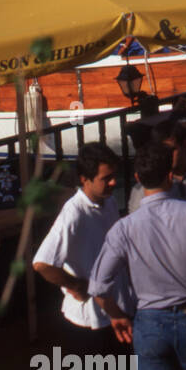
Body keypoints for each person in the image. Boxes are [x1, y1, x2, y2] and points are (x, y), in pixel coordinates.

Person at [88, 142, 186, 370]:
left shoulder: (124, 229)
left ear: (137, 178)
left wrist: (116, 315)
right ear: (170, 176)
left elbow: (98, 287)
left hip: (150, 326)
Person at [33, 142, 126, 356]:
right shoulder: (73, 213)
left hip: (115, 308)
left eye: (114, 176)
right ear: (85, 179)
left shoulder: (109, 202)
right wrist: (75, 285)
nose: (113, 183)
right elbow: (42, 264)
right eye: (106, 179)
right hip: (89, 320)